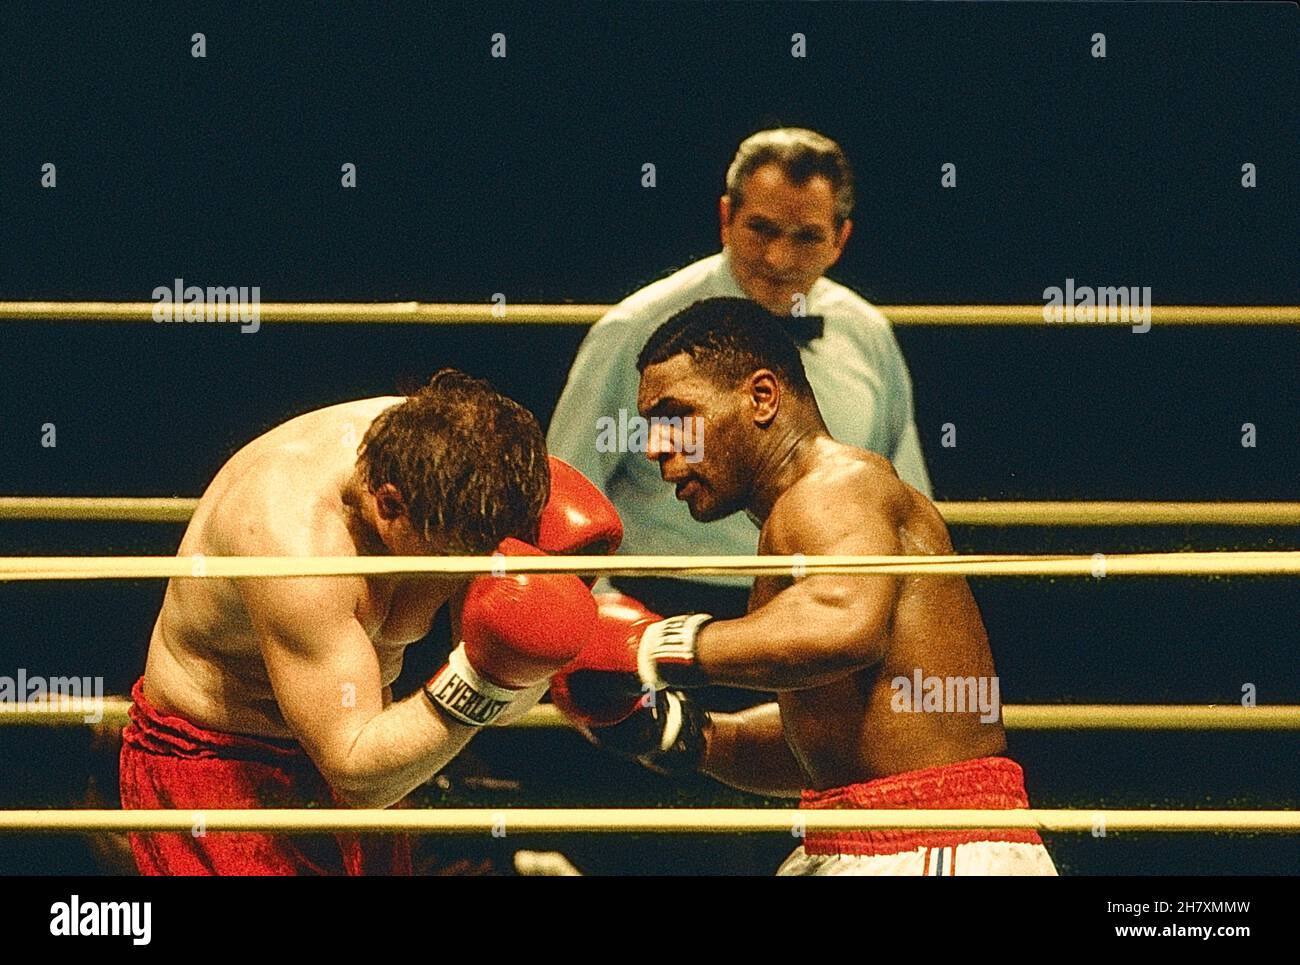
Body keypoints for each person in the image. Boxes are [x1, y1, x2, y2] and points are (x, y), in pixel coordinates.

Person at [551, 299, 1057, 876]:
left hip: (930, 840)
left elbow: (845, 627)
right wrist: (683, 733)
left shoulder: (836, 485)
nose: (654, 446)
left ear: (762, 396)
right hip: (866, 833)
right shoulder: (794, 522)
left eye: (675, 415)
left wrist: (648, 645)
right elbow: (818, 742)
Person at [120, 369, 620, 875]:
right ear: (389, 504)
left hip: (369, 764)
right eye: (452, 555)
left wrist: (531, 636)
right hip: (225, 765)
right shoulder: (294, 543)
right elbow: (356, 771)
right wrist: (480, 680)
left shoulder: (466, 475)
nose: (469, 570)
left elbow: (502, 699)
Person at [548, 127, 931, 626]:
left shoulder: (868, 336)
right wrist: (600, 616)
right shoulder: (636, 330)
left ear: (840, 239)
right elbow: (564, 487)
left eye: (807, 236)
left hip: (824, 607)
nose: (779, 258)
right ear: (726, 219)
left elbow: (906, 503)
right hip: (659, 600)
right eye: (762, 229)